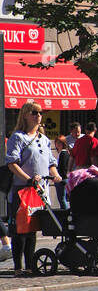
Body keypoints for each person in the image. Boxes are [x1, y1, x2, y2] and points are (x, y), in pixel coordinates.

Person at [5, 102, 59, 277]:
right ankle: (18, 267)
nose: (38, 116)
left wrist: (56, 175)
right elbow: (12, 163)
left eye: (40, 113)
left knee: (33, 230)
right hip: (24, 190)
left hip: (40, 191)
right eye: (34, 112)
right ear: (26, 115)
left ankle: (30, 266)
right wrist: (27, 179)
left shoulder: (43, 139)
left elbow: (51, 162)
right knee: (21, 230)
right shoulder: (18, 137)